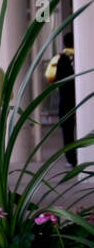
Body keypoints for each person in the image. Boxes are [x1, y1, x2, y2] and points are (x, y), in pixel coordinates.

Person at [46, 33, 76, 167]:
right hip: (82, 99)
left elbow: (50, 77)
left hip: (66, 100)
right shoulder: (85, 52)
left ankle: (72, 159)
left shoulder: (58, 59)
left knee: (68, 132)